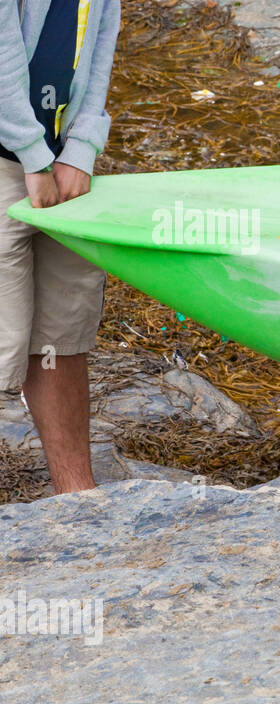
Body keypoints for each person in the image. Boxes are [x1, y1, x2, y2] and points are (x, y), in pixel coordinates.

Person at [0, 0, 121, 493]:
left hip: (59, 167)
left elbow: (97, 55)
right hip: (16, 161)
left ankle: (77, 498)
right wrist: (31, 151)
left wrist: (81, 148)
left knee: (60, 340)